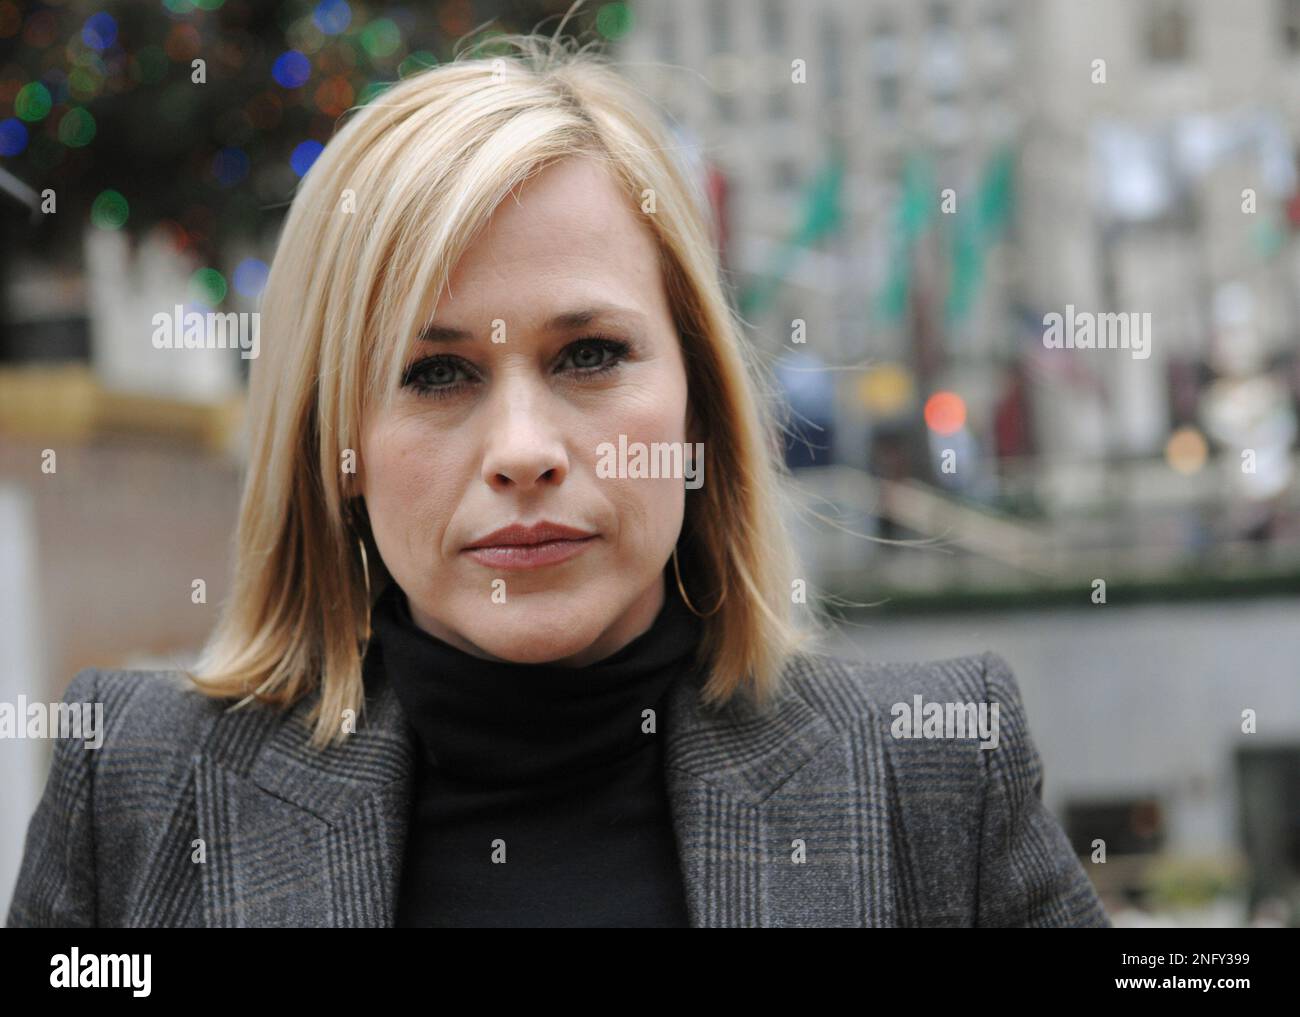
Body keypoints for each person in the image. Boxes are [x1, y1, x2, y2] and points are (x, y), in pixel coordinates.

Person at [6, 34, 1109, 928]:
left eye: (588, 355)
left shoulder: (933, 776)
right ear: (333, 443)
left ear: (700, 403)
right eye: (435, 373)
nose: (522, 448)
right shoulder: (141, 792)